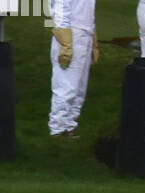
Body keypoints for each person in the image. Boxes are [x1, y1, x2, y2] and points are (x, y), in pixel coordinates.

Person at [48, 0, 96, 138]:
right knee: (66, 85)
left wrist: (94, 39)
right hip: (72, 33)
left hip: (84, 31)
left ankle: (69, 126)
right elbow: (60, 7)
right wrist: (66, 41)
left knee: (79, 87)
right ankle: (57, 127)